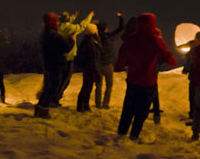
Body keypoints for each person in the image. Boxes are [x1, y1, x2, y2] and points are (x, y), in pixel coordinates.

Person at [115, 13, 176, 141]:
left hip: (132, 79)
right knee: (142, 110)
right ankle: (134, 134)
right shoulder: (154, 39)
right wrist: (170, 59)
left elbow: (122, 55)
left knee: (128, 106)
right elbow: (165, 55)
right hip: (148, 81)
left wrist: (121, 66)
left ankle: (122, 131)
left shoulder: (131, 38)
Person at [36, 13, 73, 117]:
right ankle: (43, 110)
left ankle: (40, 108)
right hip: (56, 64)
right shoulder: (54, 35)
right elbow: (66, 48)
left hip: (47, 64)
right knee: (53, 87)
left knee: (48, 87)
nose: (58, 22)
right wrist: (71, 40)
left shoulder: (44, 34)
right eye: (56, 21)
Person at [94, 14, 124, 109]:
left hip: (98, 64)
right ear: (105, 29)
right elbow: (121, 29)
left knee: (98, 85)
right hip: (108, 65)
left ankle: (98, 104)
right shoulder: (110, 37)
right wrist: (121, 18)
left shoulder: (95, 39)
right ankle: (105, 103)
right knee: (109, 85)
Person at [74, 24, 102, 112]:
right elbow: (93, 57)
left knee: (88, 87)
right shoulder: (90, 42)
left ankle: (85, 105)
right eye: (96, 29)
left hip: (90, 67)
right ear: (92, 31)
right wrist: (96, 70)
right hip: (90, 67)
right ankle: (81, 105)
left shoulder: (90, 40)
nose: (97, 30)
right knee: (86, 87)